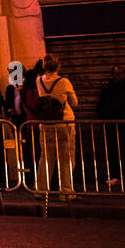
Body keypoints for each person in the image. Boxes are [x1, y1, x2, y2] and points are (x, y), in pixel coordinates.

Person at [35, 53, 78, 199]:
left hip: (46, 124)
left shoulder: (38, 80)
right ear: (58, 66)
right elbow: (74, 102)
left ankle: (41, 190)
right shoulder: (64, 81)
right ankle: (66, 191)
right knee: (66, 158)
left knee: (46, 158)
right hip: (64, 123)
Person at [96, 65, 125, 189]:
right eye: (117, 73)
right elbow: (100, 107)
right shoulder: (107, 89)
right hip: (112, 126)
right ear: (112, 75)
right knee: (113, 152)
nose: (119, 76)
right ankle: (116, 176)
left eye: (121, 73)